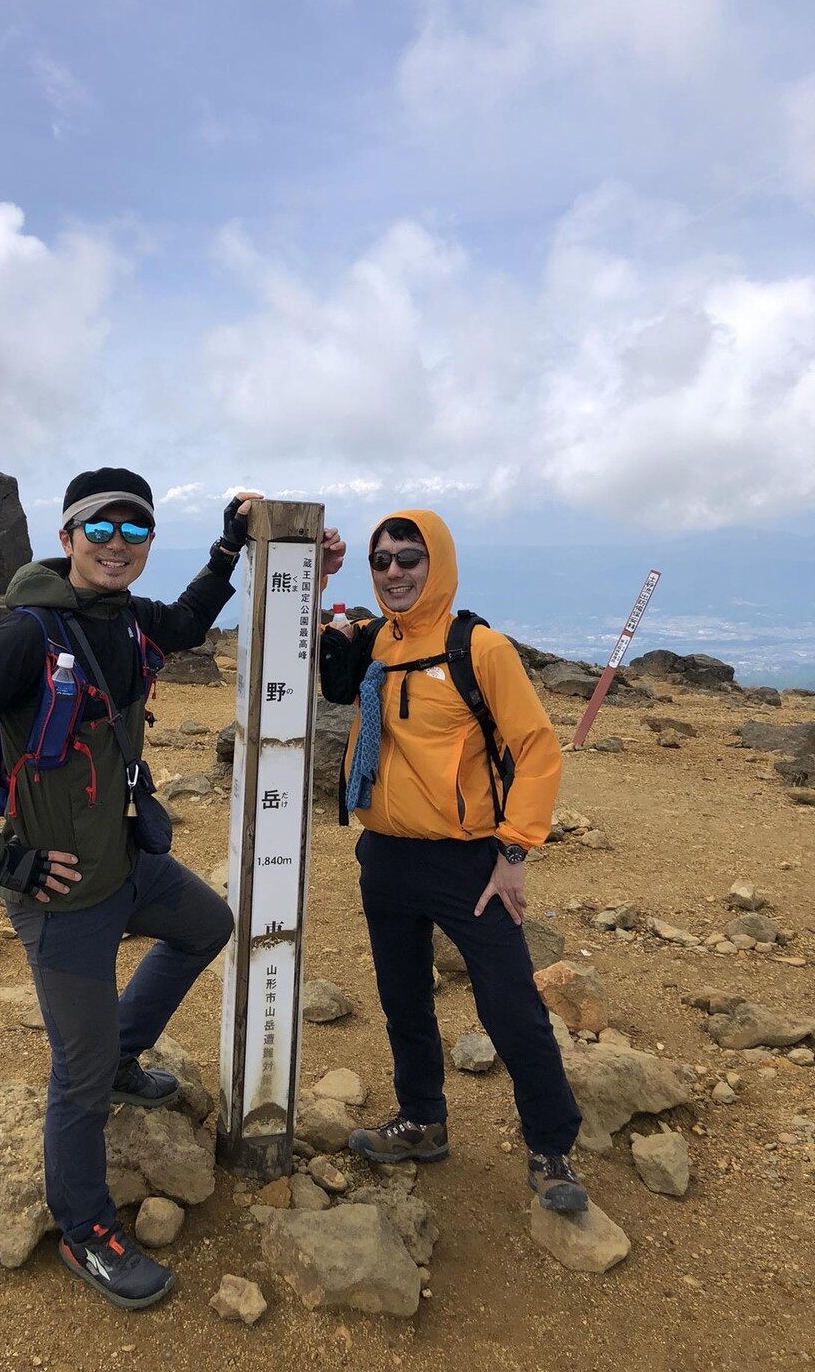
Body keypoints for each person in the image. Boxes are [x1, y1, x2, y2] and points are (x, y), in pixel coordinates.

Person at [0, 469, 253, 1311]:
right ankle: (86, 1231)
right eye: (100, 528)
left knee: (208, 923)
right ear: (66, 538)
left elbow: (178, 624)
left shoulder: (125, 618)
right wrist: (3, 861)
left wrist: (226, 552)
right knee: (77, 1071)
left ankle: (124, 1055)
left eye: (135, 532)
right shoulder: (25, 635)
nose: (117, 544)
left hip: (128, 862)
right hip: (61, 891)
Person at [318, 509, 587, 1214]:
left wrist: (514, 851)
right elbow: (304, 659)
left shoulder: (480, 647)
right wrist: (316, 579)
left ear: (436, 561)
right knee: (402, 997)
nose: (395, 572)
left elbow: (537, 749)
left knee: (509, 1005)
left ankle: (551, 1147)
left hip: (470, 863)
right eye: (382, 561)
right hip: (385, 855)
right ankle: (421, 1121)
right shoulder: (372, 640)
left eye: (409, 558)